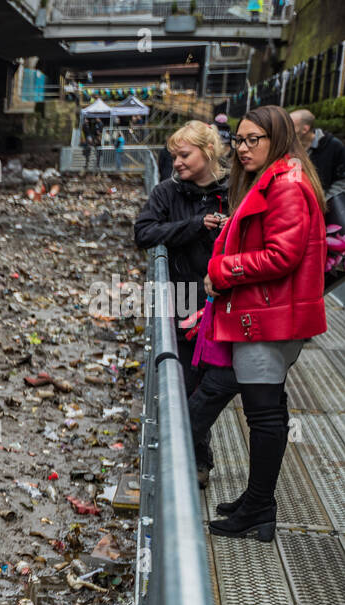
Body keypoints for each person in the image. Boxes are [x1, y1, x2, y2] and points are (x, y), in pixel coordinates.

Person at [194, 105, 327, 541]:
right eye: (240, 139)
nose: (243, 148)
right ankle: (257, 502)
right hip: (268, 314)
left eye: (255, 140)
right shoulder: (278, 178)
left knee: (265, 414)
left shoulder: (285, 184)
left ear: (279, 140)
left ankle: (259, 510)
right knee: (266, 411)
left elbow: (282, 255)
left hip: (269, 319)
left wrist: (222, 271)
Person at [134, 121, 230, 402]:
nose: (176, 163)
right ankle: (193, 442)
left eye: (184, 156)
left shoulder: (235, 190)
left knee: (221, 380)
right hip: (185, 298)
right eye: (173, 156)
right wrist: (195, 225)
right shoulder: (167, 191)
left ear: (208, 150)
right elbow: (143, 233)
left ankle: (193, 437)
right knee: (187, 379)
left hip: (228, 299)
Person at [288, 109, 345, 201]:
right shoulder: (287, 146)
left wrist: (326, 200)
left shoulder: (333, 146)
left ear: (305, 129)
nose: (286, 130)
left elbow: (343, 180)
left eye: (291, 126)